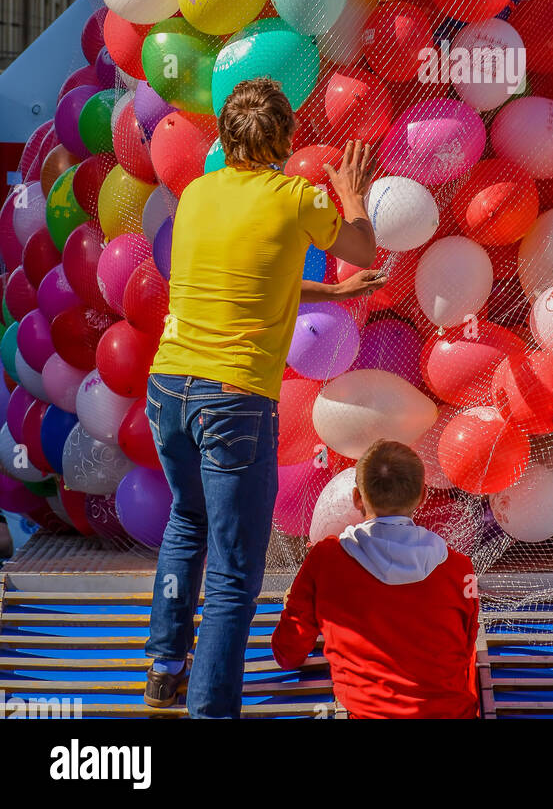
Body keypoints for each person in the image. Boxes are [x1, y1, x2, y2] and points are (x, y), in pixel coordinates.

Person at [144, 77, 385, 719]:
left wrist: (329, 297)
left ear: (225, 138)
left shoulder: (196, 194)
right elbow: (361, 246)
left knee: (186, 520)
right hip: (233, 401)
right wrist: (353, 194)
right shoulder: (296, 197)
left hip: (169, 388)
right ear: (285, 140)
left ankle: (165, 668)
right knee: (234, 573)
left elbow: (243, 283)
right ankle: (211, 710)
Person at [271, 439, 480, 719]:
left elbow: (287, 653)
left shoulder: (326, 560)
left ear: (357, 497)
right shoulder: (459, 567)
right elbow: (466, 647)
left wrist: (299, 607)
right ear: (421, 495)